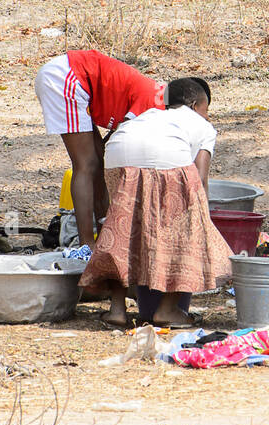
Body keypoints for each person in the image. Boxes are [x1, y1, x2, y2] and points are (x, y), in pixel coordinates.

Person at [80, 77, 232, 328]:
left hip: (118, 151)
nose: (206, 117)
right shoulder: (203, 126)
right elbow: (201, 177)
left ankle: (117, 310)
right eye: (206, 111)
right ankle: (168, 310)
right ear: (195, 106)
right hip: (167, 158)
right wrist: (201, 220)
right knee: (183, 230)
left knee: (123, 228)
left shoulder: (148, 115)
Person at [34, 50, 168, 249]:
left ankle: (104, 236)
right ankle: (87, 245)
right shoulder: (155, 103)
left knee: (99, 164)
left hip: (77, 82)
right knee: (86, 165)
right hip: (67, 78)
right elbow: (123, 141)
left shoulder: (160, 100)